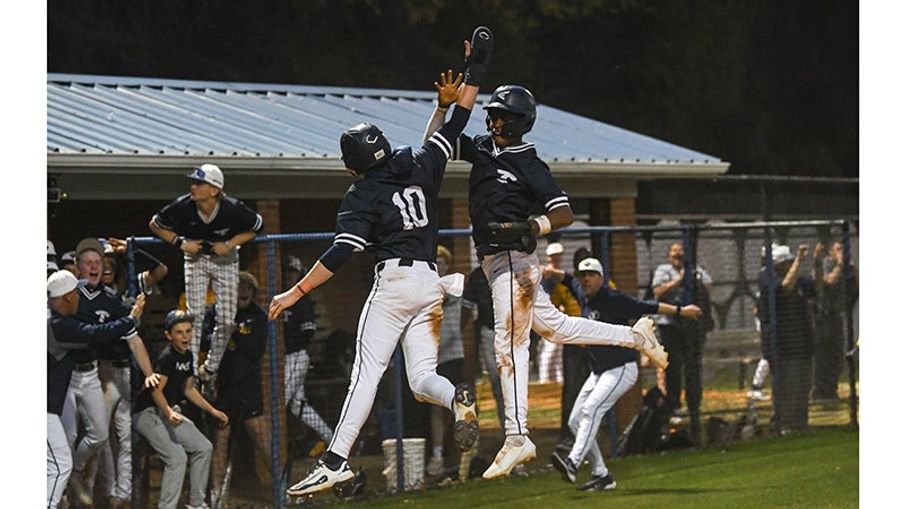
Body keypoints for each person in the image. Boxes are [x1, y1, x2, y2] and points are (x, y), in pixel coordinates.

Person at [268, 29, 493, 496]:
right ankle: (459, 399)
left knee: (364, 376)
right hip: (429, 284)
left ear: (352, 166)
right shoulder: (416, 162)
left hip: (394, 285)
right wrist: (474, 71)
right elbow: (457, 123)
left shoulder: (361, 194)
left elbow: (339, 253)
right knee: (422, 380)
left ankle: (334, 460)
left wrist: (295, 292)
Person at [424, 83, 668, 478]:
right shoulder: (485, 147)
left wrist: (530, 226)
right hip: (492, 261)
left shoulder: (529, 161)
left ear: (519, 123)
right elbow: (435, 146)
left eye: (502, 114)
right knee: (556, 327)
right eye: (494, 113)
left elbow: (563, 212)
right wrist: (442, 108)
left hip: (513, 260)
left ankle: (517, 435)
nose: (493, 118)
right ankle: (636, 337)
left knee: (510, 345)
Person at [551, 258, 701, 491]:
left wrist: (682, 310)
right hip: (599, 371)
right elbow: (568, 280)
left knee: (591, 410)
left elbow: (648, 306)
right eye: (583, 275)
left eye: (591, 274)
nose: (586, 279)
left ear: (601, 278)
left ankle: (573, 461)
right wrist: (549, 270)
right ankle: (601, 475)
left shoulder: (613, 299)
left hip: (621, 368)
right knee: (575, 420)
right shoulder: (583, 295)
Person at [60, 238, 158, 507]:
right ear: (78, 269)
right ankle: (65, 492)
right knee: (67, 436)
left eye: (98, 263)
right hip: (66, 375)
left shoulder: (112, 300)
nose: (93, 267)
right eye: (88, 264)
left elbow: (133, 338)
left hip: (93, 373)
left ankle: (78, 474)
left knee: (100, 436)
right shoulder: (68, 296)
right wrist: (129, 318)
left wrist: (148, 372)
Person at [148, 163, 265, 383]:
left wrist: (229, 244)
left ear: (214, 190)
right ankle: (190, 371)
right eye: (193, 182)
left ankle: (209, 369)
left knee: (227, 320)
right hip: (195, 258)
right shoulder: (183, 205)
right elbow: (155, 224)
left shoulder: (232, 208)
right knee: (195, 315)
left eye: (199, 183)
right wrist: (180, 243)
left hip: (226, 259)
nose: (193, 187)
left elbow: (258, 226)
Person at [88, 237, 170, 508]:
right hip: (102, 369)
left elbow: (161, 270)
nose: (108, 266)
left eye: (112, 260)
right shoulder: (92, 293)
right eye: (104, 260)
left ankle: (121, 494)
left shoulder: (131, 284)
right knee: (101, 435)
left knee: (123, 435)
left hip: (126, 368)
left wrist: (132, 250)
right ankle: (100, 488)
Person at [133, 309, 229, 509]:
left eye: (188, 331)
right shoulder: (168, 357)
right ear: (169, 335)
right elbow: (155, 391)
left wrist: (212, 410)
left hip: (167, 412)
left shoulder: (187, 356)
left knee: (204, 447)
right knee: (177, 458)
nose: (185, 336)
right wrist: (168, 411)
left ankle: (196, 504)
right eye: (179, 332)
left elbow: (188, 388)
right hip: (147, 413)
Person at [201, 272, 274, 503]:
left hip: (248, 386)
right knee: (221, 440)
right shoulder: (215, 312)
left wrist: (235, 334)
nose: (244, 293)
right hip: (222, 387)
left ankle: (282, 488)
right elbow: (202, 339)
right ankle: (217, 497)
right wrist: (221, 332)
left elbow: (255, 350)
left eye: (248, 289)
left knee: (262, 439)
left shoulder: (258, 315)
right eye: (239, 288)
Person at [652, 242, 713, 441]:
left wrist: (691, 276)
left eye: (681, 253)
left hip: (692, 328)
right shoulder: (663, 270)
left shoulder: (695, 270)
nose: (678, 256)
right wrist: (679, 280)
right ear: (669, 255)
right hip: (670, 326)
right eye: (674, 253)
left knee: (693, 368)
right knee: (673, 370)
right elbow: (658, 292)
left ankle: (694, 407)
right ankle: (674, 407)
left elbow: (708, 286)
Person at [758, 244, 815, 432]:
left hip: (803, 342)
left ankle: (800, 424)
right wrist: (799, 259)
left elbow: (818, 287)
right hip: (782, 344)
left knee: (802, 386)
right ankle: (784, 423)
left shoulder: (799, 280)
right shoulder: (767, 278)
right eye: (787, 262)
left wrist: (818, 262)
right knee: (786, 386)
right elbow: (784, 289)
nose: (790, 265)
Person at [282, 255, 334, 447]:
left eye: (292, 272)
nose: (288, 276)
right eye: (286, 272)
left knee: (281, 402)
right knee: (299, 406)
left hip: (296, 356)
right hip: (288, 358)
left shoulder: (302, 300)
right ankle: (331, 438)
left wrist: (288, 346)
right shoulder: (284, 297)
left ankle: (276, 447)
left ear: (299, 274)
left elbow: (309, 331)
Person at [427, 245, 467, 476]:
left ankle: (463, 457)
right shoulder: (427, 287)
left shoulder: (453, 284)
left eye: (442, 261)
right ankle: (438, 455)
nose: (439, 264)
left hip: (453, 355)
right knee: (435, 410)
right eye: (435, 261)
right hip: (433, 358)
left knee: (458, 407)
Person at [811, 241, 857, 401]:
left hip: (837, 316)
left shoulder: (846, 267)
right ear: (831, 252)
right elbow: (829, 281)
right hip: (822, 316)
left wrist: (851, 267)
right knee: (823, 355)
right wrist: (840, 264)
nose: (841, 252)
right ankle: (819, 390)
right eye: (838, 249)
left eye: (843, 249)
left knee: (837, 355)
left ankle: (831, 389)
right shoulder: (828, 263)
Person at [462, 265, 506, 432]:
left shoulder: (507, 268)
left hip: (511, 331)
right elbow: (466, 308)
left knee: (513, 384)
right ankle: (507, 432)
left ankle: (516, 430)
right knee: (498, 383)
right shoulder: (477, 276)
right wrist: (459, 335)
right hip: (489, 332)